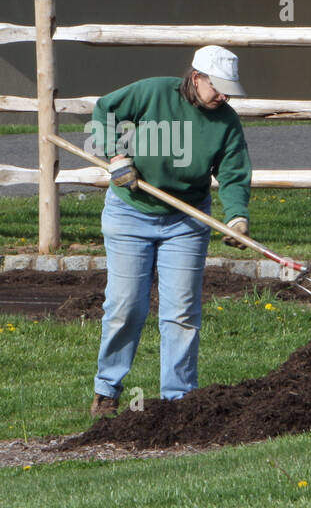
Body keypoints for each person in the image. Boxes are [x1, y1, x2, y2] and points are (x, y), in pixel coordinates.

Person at [87, 45, 253, 418]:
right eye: (218, 87)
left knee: (181, 312)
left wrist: (236, 216)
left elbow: (233, 173)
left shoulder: (226, 121)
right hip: (131, 212)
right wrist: (117, 157)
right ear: (196, 78)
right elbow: (104, 111)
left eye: (229, 89)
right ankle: (107, 390)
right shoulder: (153, 92)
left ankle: (178, 402)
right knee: (126, 305)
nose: (224, 96)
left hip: (187, 220)